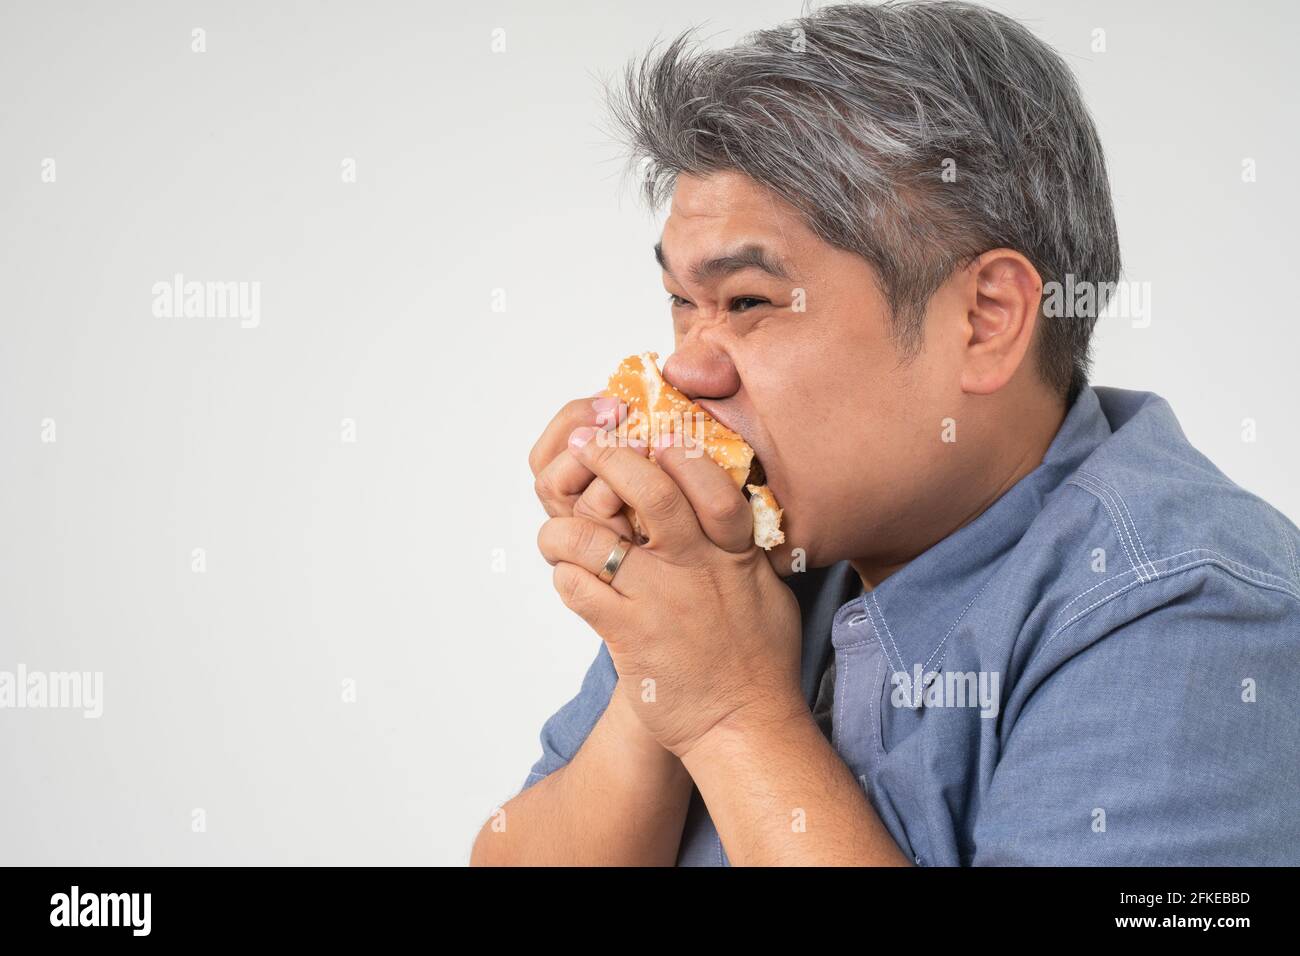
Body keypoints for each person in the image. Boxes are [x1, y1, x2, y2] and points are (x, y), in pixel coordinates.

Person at [471, 1, 1300, 866]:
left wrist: (729, 713)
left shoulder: (1194, 615)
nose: (686, 371)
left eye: (748, 302)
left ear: (985, 320)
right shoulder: (751, 553)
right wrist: (660, 664)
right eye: (683, 302)